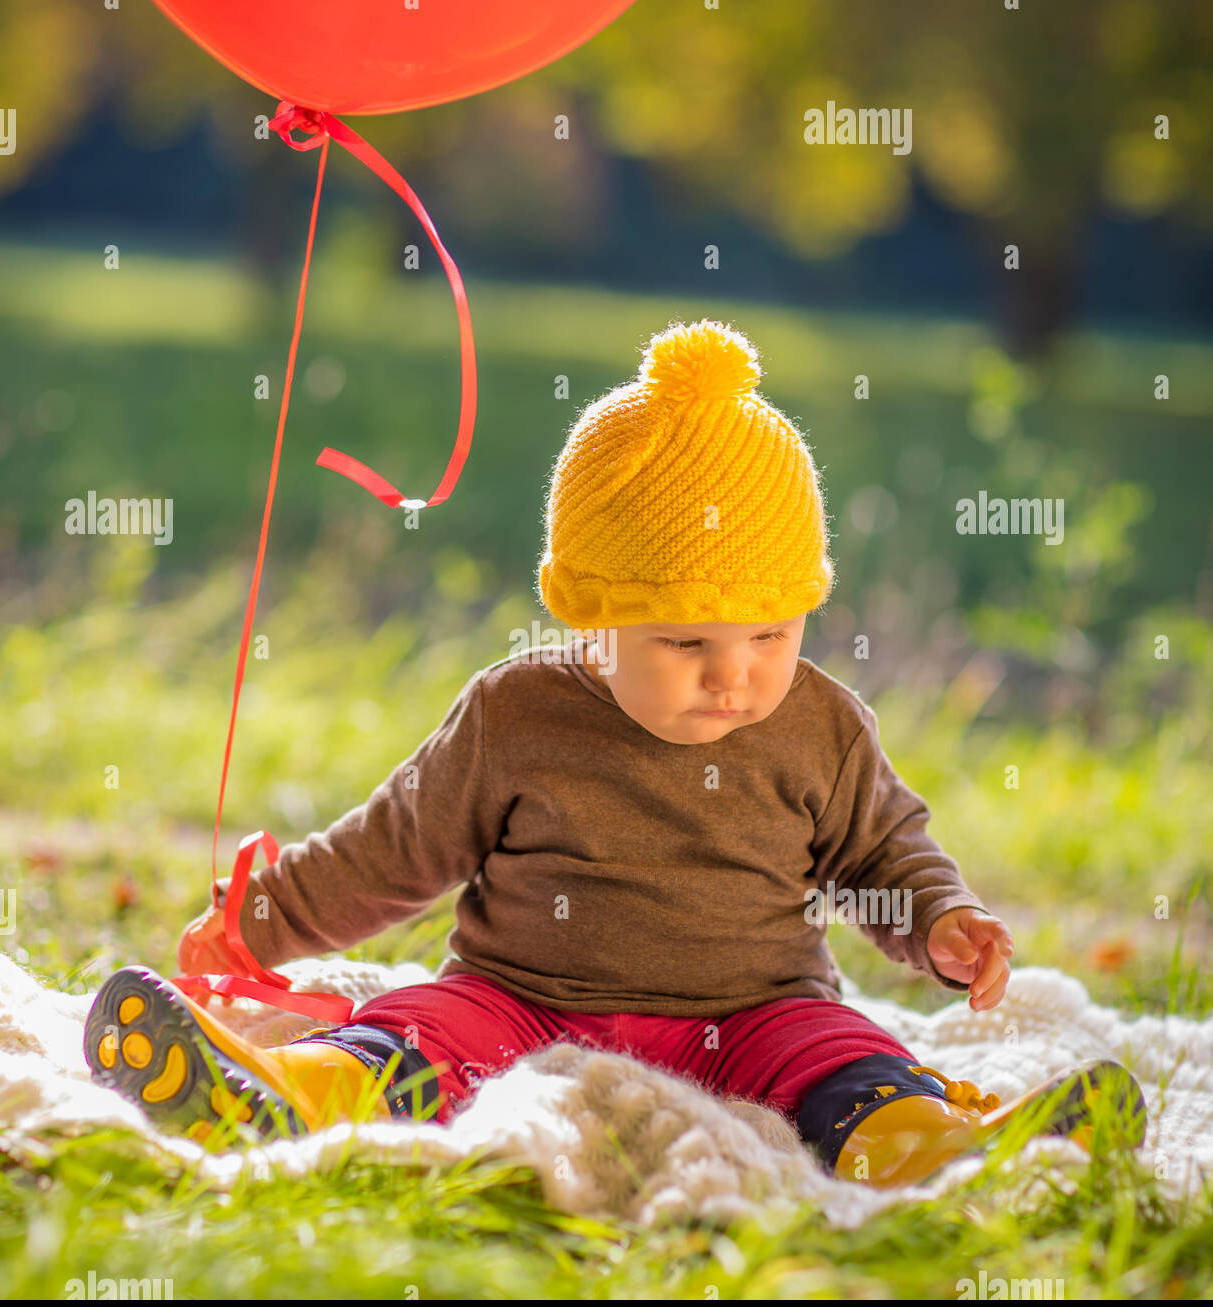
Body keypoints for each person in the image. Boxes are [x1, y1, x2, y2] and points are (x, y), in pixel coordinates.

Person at [85, 319, 1145, 1187]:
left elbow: (882, 853)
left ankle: (943, 1152)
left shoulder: (821, 724)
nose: (733, 674)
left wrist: (937, 922)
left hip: (755, 1009)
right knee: (418, 1026)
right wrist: (259, 920)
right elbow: (394, 847)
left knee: (848, 1055)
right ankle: (280, 1093)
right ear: (594, 620)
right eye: (686, 641)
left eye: (770, 634)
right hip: (523, 994)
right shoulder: (519, 712)